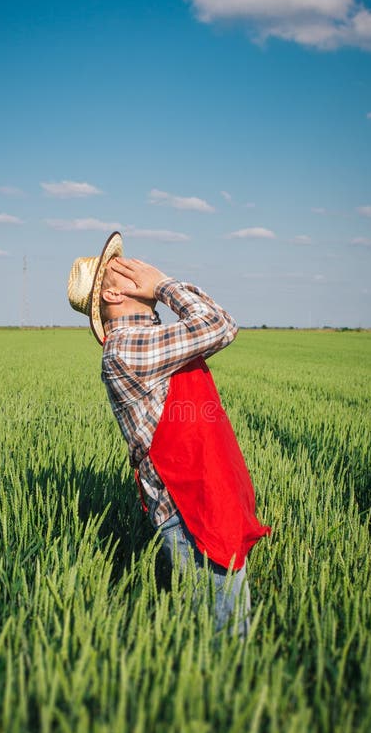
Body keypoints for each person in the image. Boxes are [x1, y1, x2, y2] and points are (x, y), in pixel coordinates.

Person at [67, 232, 270, 636]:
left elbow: (213, 320)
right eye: (123, 268)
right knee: (224, 635)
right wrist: (162, 284)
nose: (138, 267)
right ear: (112, 295)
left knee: (228, 624)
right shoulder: (128, 348)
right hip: (189, 509)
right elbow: (221, 324)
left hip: (205, 496)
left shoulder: (152, 339)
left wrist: (163, 287)